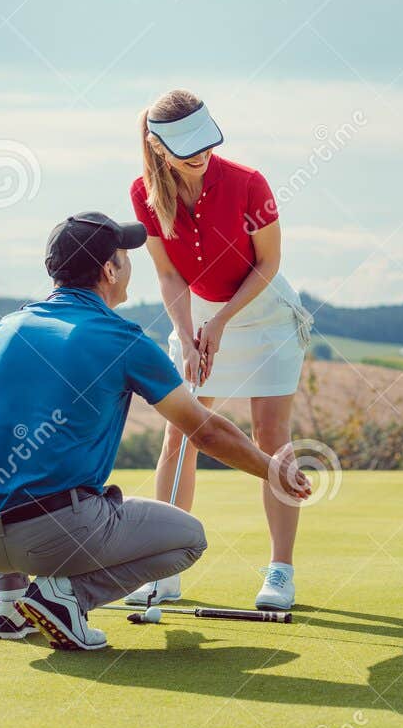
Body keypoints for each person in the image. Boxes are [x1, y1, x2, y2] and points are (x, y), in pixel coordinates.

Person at [0, 211, 310, 651]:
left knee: (15, 465)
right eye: (125, 256)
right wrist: (272, 469)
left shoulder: (5, 328)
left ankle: (8, 601)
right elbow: (206, 432)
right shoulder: (124, 340)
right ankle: (65, 599)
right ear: (109, 270)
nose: (131, 265)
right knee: (188, 538)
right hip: (50, 536)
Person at [126, 88, 314, 612]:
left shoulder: (250, 184)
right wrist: (187, 335)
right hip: (198, 313)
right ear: (158, 148)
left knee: (271, 436)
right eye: (187, 147)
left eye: (205, 142)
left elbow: (267, 265)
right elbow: (167, 273)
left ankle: (281, 570)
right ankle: (162, 568)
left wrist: (224, 320)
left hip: (264, 313)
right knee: (181, 436)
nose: (202, 154)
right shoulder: (143, 193)